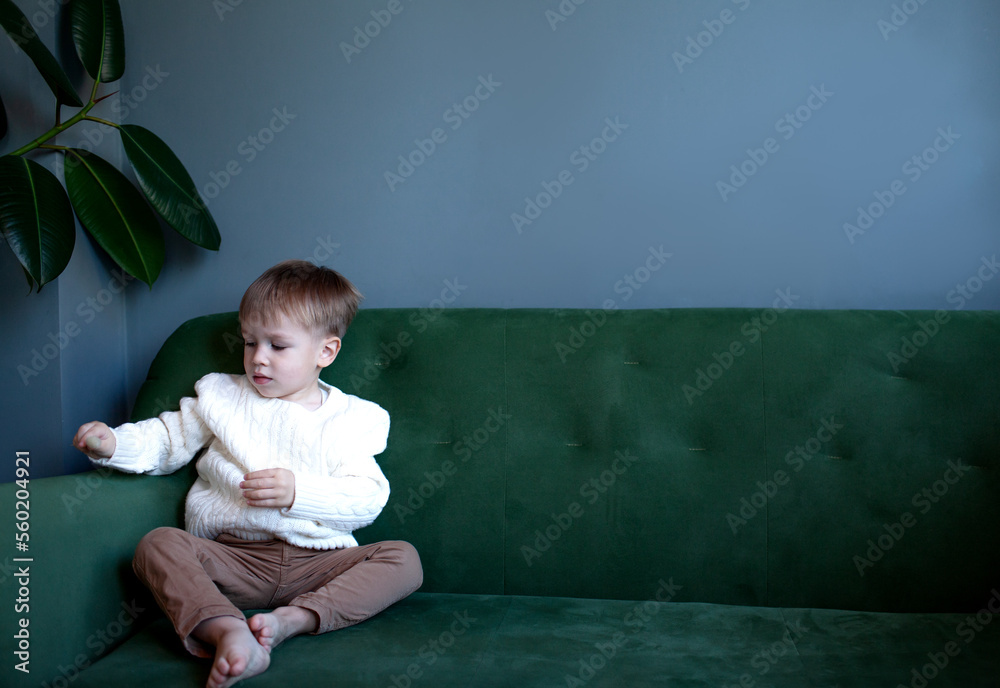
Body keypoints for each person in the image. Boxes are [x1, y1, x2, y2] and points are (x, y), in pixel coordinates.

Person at [73, 260, 422, 688]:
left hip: (318, 563)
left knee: (403, 559)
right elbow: (167, 439)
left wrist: (299, 492)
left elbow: (367, 497)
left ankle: (294, 620)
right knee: (157, 544)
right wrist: (114, 444)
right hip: (233, 560)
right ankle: (228, 630)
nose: (258, 358)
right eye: (249, 342)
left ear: (325, 352)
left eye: (278, 346)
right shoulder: (221, 396)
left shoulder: (351, 419)